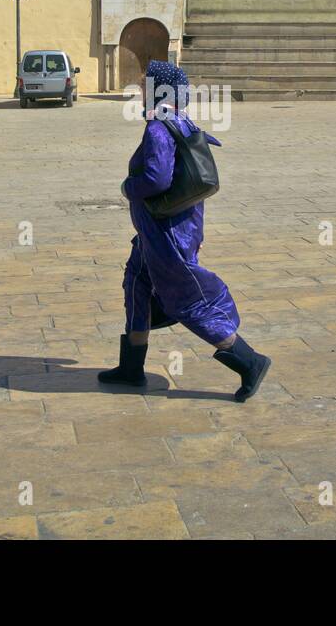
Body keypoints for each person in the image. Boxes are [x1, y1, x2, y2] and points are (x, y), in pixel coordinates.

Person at [99, 60, 271, 402]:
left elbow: (157, 179)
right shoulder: (181, 120)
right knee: (136, 283)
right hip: (162, 232)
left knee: (187, 301)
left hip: (167, 236)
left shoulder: (159, 128)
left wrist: (127, 187)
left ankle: (248, 360)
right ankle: (131, 368)